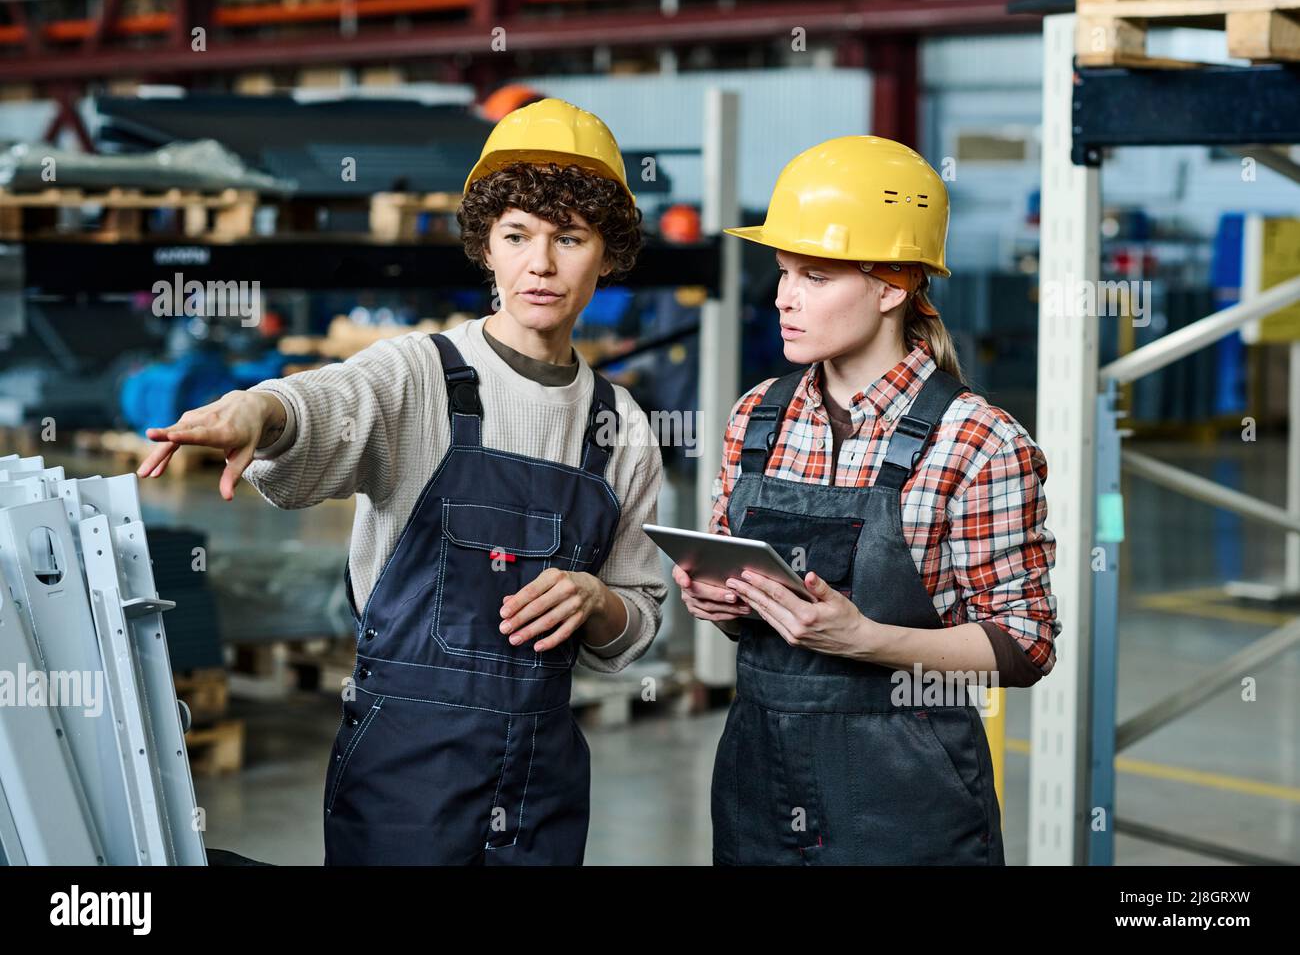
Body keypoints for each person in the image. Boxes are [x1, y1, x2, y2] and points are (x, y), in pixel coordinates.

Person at [136, 98, 667, 865]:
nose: (540, 265)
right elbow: (326, 402)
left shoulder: (621, 428)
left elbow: (640, 623)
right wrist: (262, 410)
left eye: (570, 239)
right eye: (517, 235)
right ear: (487, 245)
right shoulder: (421, 375)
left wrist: (600, 601)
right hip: (405, 772)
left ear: (607, 255)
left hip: (543, 782)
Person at [673, 135, 1061, 865]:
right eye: (783, 272)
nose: (783, 297)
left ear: (891, 287)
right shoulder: (757, 417)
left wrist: (863, 640)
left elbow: (1024, 644)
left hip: (909, 802)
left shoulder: (977, 441)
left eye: (814, 276)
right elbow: (759, 618)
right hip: (758, 786)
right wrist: (724, 602)